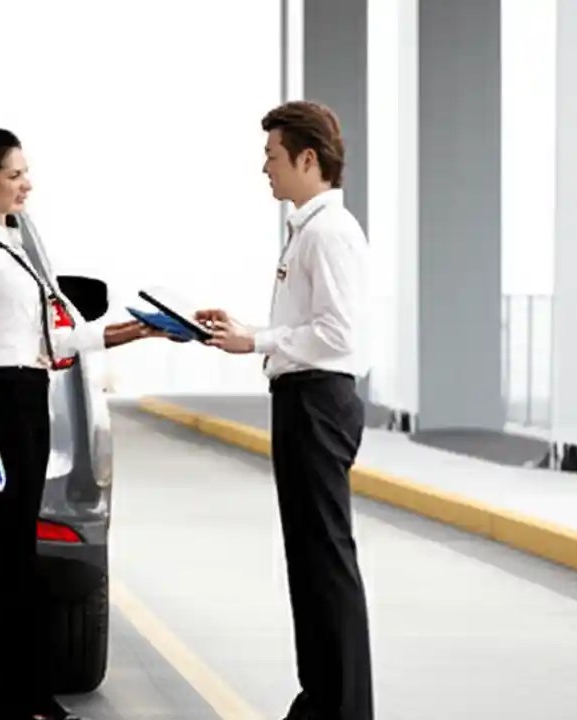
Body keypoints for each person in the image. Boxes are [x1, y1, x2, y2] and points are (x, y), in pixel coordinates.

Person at [0, 127, 163, 720]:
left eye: (25, 173)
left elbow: (55, 338)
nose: (25, 184)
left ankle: (27, 692)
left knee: (22, 554)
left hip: (31, 394)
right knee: (4, 555)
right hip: (1, 400)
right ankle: (3, 700)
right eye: (14, 176)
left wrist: (130, 332)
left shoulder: (17, 247)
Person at [193, 101, 372, 720]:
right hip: (302, 398)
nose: (263, 168)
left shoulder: (329, 232)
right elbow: (309, 325)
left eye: (272, 156)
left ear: (306, 158)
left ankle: (341, 706)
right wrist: (252, 330)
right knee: (308, 560)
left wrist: (259, 341)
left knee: (324, 561)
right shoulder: (309, 229)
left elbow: (339, 336)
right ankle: (323, 698)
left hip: (318, 403)